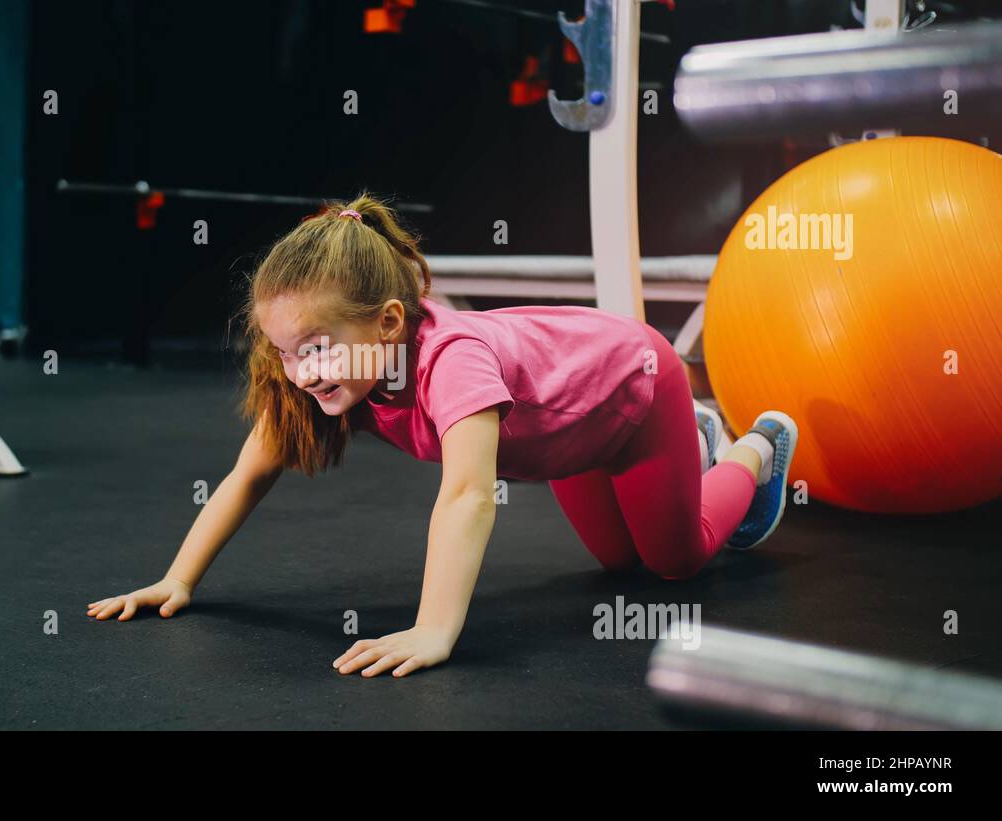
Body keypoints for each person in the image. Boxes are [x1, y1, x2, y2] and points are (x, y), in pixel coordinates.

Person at [87, 193, 799, 678]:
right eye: (286, 351)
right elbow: (245, 475)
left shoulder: (449, 361)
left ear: (390, 324)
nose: (302, 372)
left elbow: (467, 496)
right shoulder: (340, 379)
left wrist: (434, 630)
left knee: (674, 563)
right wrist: (177, 578)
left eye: (318, 347)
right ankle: (695, 452)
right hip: (566, 432)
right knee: (620, 568)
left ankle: (750, 449)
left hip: (635, 392)